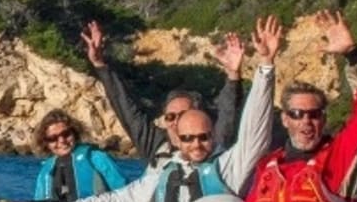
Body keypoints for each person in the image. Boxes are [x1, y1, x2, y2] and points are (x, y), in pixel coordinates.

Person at [26, 16, 281, 202]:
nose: (195, 143)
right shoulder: (164, 167)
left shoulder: (227, 164)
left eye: (202, 137)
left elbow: (254, 129)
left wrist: (264, 67)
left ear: (212, 134)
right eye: (186, 137)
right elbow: (118, 201)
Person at [177, 11, 357, 202]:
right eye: (297, 114)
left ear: (323, 119)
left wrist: (352, 55)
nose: (306, 122)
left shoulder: (339, 158)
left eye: (314, 115)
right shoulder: (268, 166)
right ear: (285, 119)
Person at [83, 20, 247, 174]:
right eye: (170, 117)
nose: (176, 122)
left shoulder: (213, 143)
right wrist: (100, 64)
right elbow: (125, 107)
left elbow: (228, 112)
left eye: (183, 114)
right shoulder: (155, 144)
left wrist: (234, 75)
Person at [31, 108, 126, 202]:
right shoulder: (46, 172)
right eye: (53, 138)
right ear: (46, 144)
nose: (62, 140)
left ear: (75, 133)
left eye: (66, 134)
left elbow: (125, 194)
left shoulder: (97, 158)